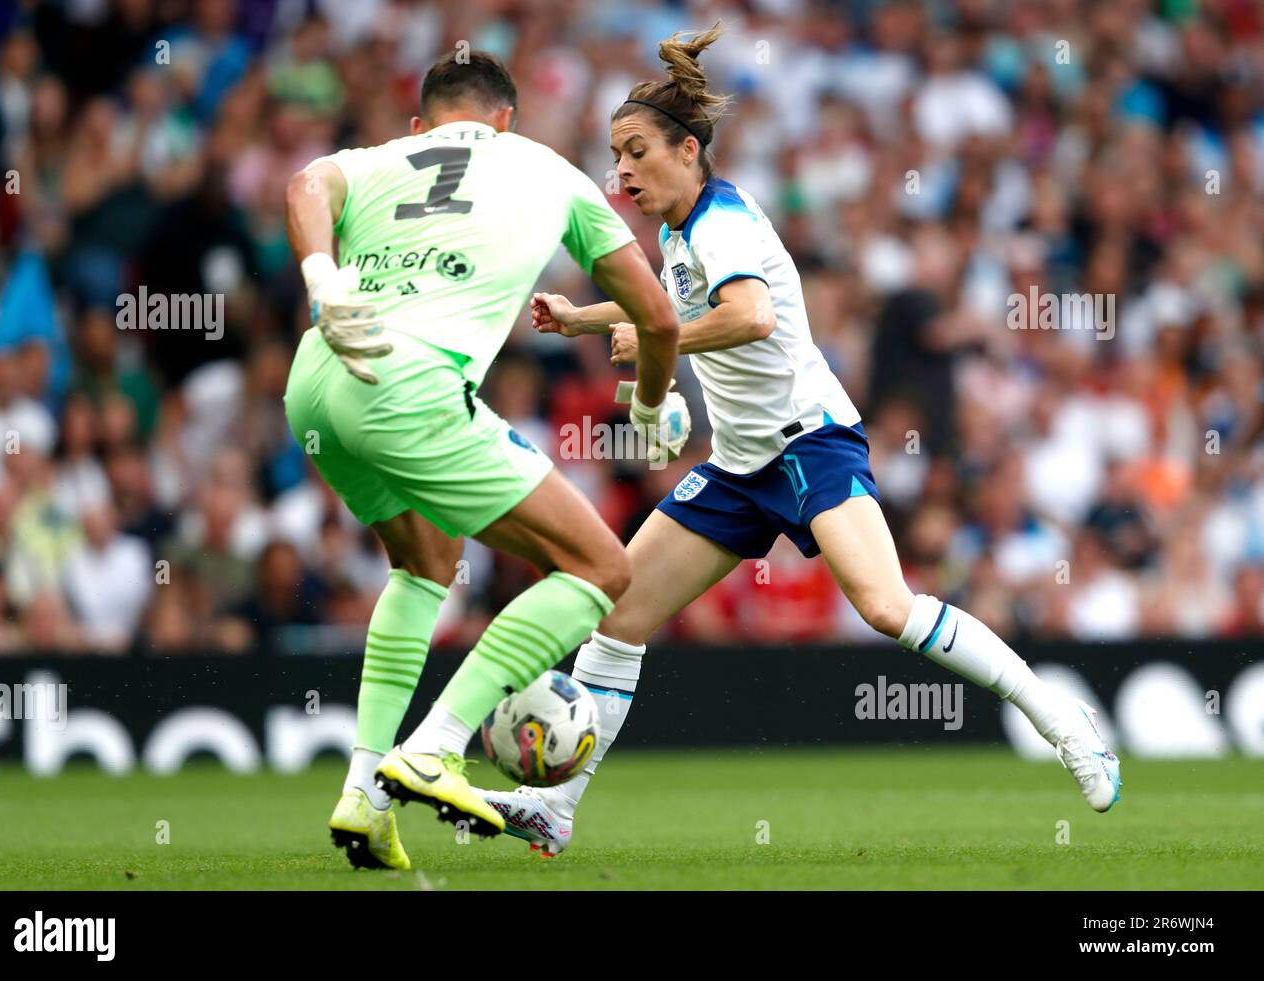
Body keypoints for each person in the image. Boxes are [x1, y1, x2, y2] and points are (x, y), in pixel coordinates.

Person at [477, 23, 1121, 857]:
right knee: (620, 613)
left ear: (687, 150)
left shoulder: (722, 223)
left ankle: (1063, 721)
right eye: (615, 154)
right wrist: (586, 318)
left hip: (811, 445)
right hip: (742, 464)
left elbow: (751, 315)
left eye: (636, 152)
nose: (621, 171)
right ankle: (557, 808)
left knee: (887, 607)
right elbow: (670, 310)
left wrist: (650, 342)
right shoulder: (676, 236)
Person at [282, 49, 685, 870]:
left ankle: (363, 793)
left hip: (319, 377)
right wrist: (647, 405)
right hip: (411, 386)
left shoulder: (382, 158)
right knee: (601, 566)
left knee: (427, 561)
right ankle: (436, 745)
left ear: (421, 125)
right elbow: (659, 318)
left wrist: (323, 276)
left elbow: (303, 187)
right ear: (506, 119)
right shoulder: (551, 170)